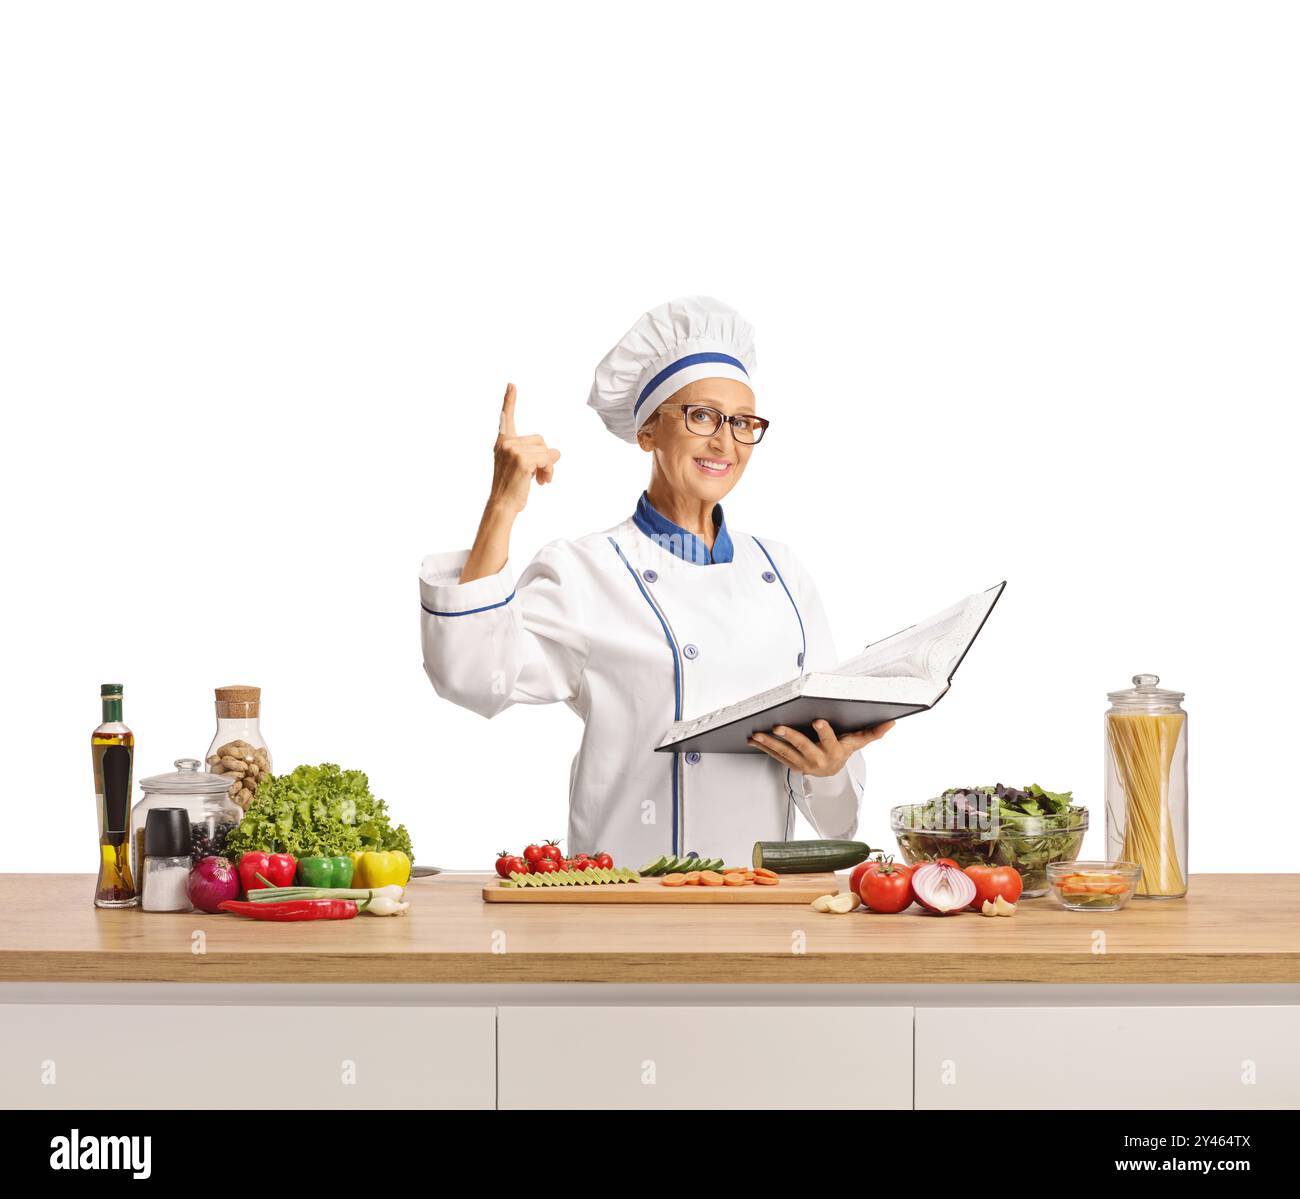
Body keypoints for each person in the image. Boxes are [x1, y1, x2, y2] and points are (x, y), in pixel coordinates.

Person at [420, 296, 892, 865]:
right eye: (701, 416)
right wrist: (501, 506)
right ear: (647, 432)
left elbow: (839, 813)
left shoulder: (784, 573)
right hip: (625, 898)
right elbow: (471, 676)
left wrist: (828, 768)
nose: (725, 442)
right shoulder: (585, 569)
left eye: (743, 423)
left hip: (756, 906)